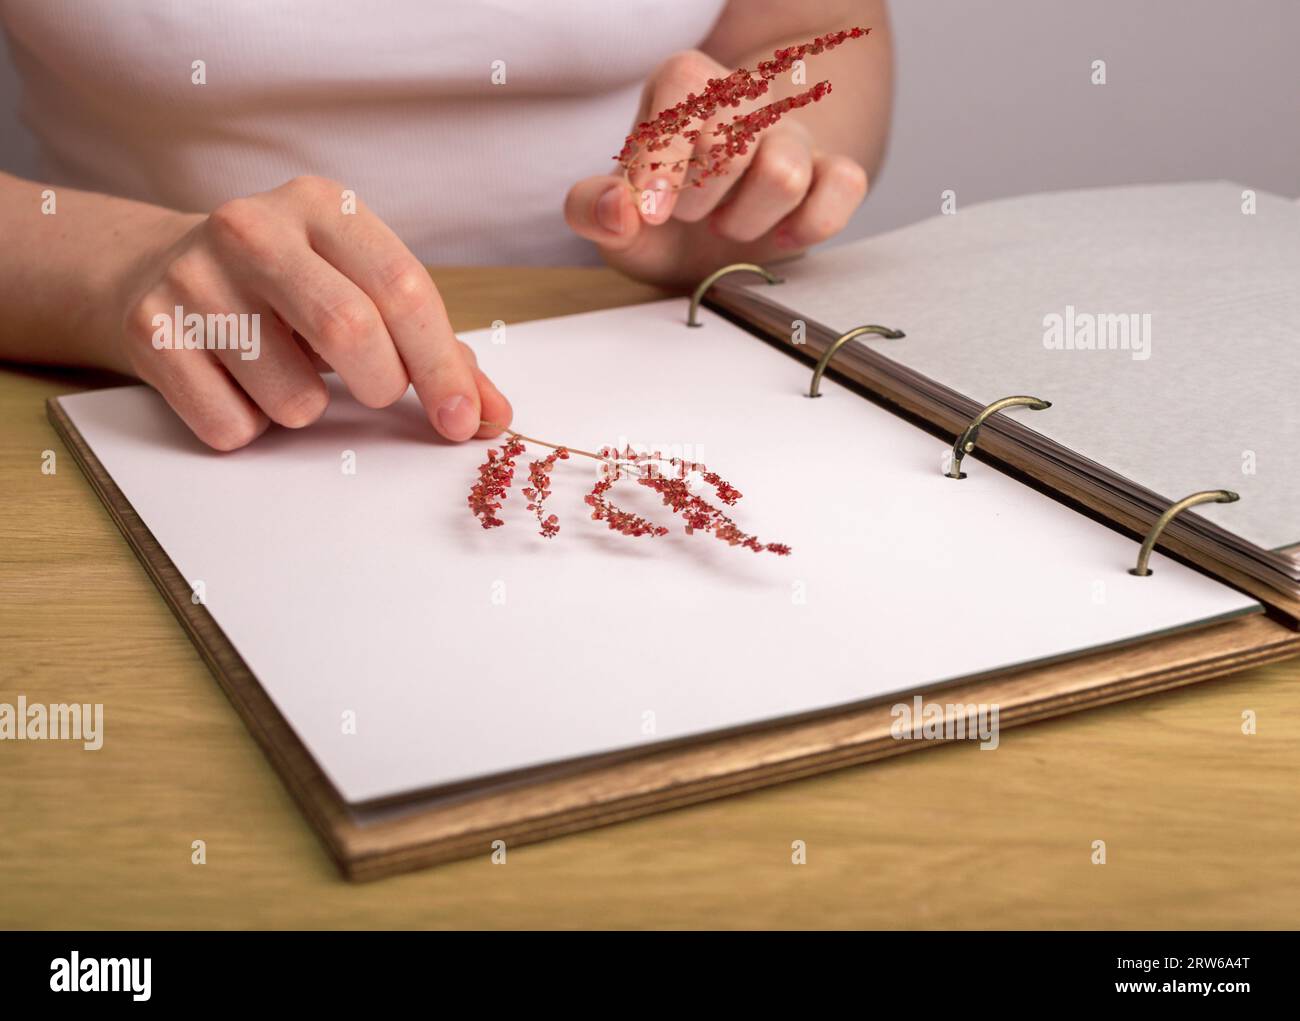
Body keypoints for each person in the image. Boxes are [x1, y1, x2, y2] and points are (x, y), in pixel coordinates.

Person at [0, 0, 892, 449]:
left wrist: (743, 176)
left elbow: (812, 22)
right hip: (119, 383)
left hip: (660, 339)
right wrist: (119, 270)